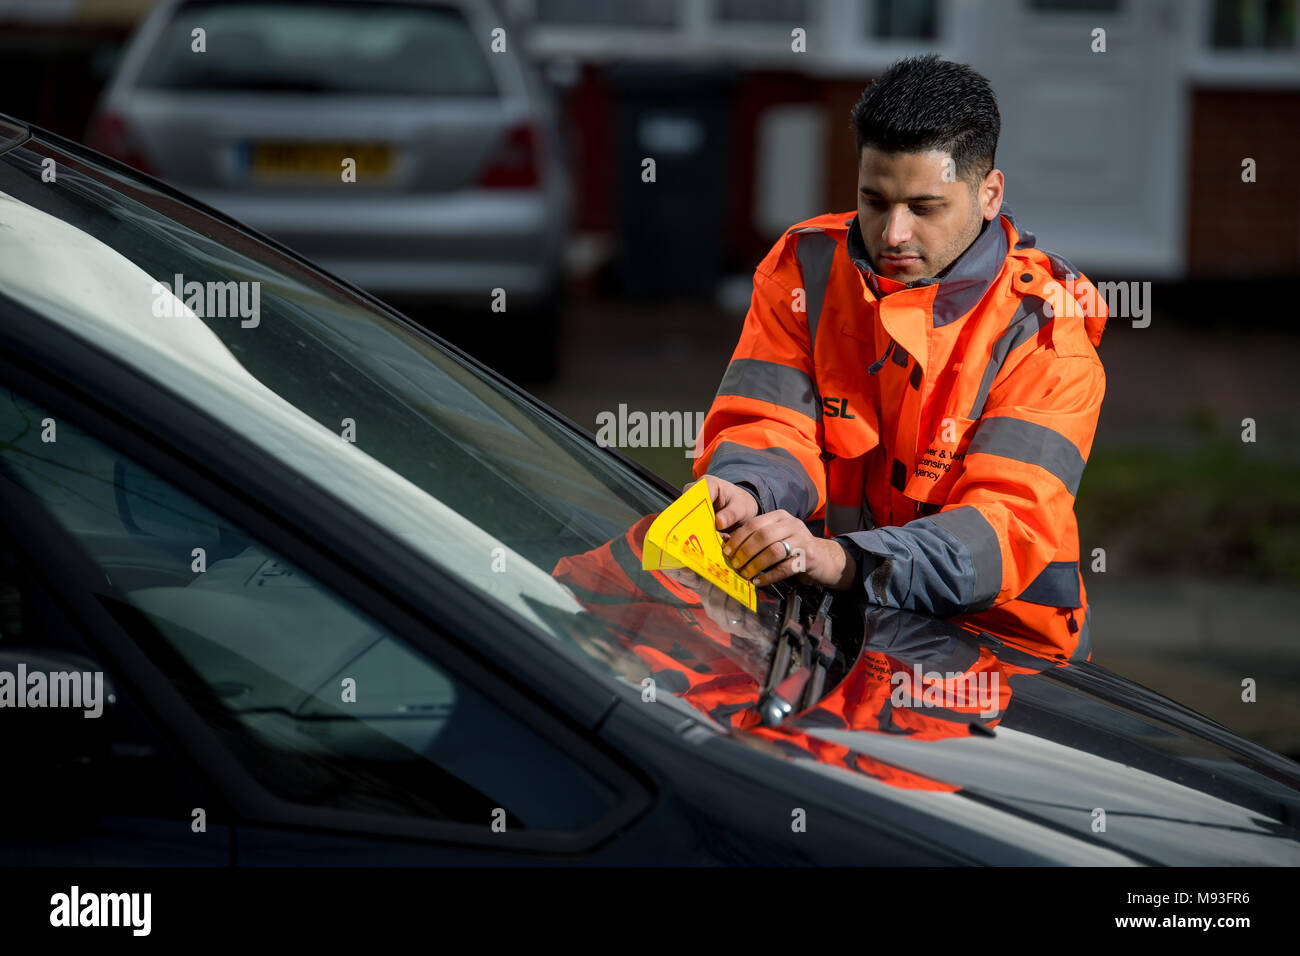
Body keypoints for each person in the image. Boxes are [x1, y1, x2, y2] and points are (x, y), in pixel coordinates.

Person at [691, 54, 1108, 662]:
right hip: (832, 625)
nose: (893, 234)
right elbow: (771, 426)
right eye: (876, 200)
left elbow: (1008, 524)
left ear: (990, 194)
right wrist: (746, 491)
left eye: (923, 207)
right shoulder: (804, 268)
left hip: (1004, 655)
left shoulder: (1044, 328)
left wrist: (848, 559)